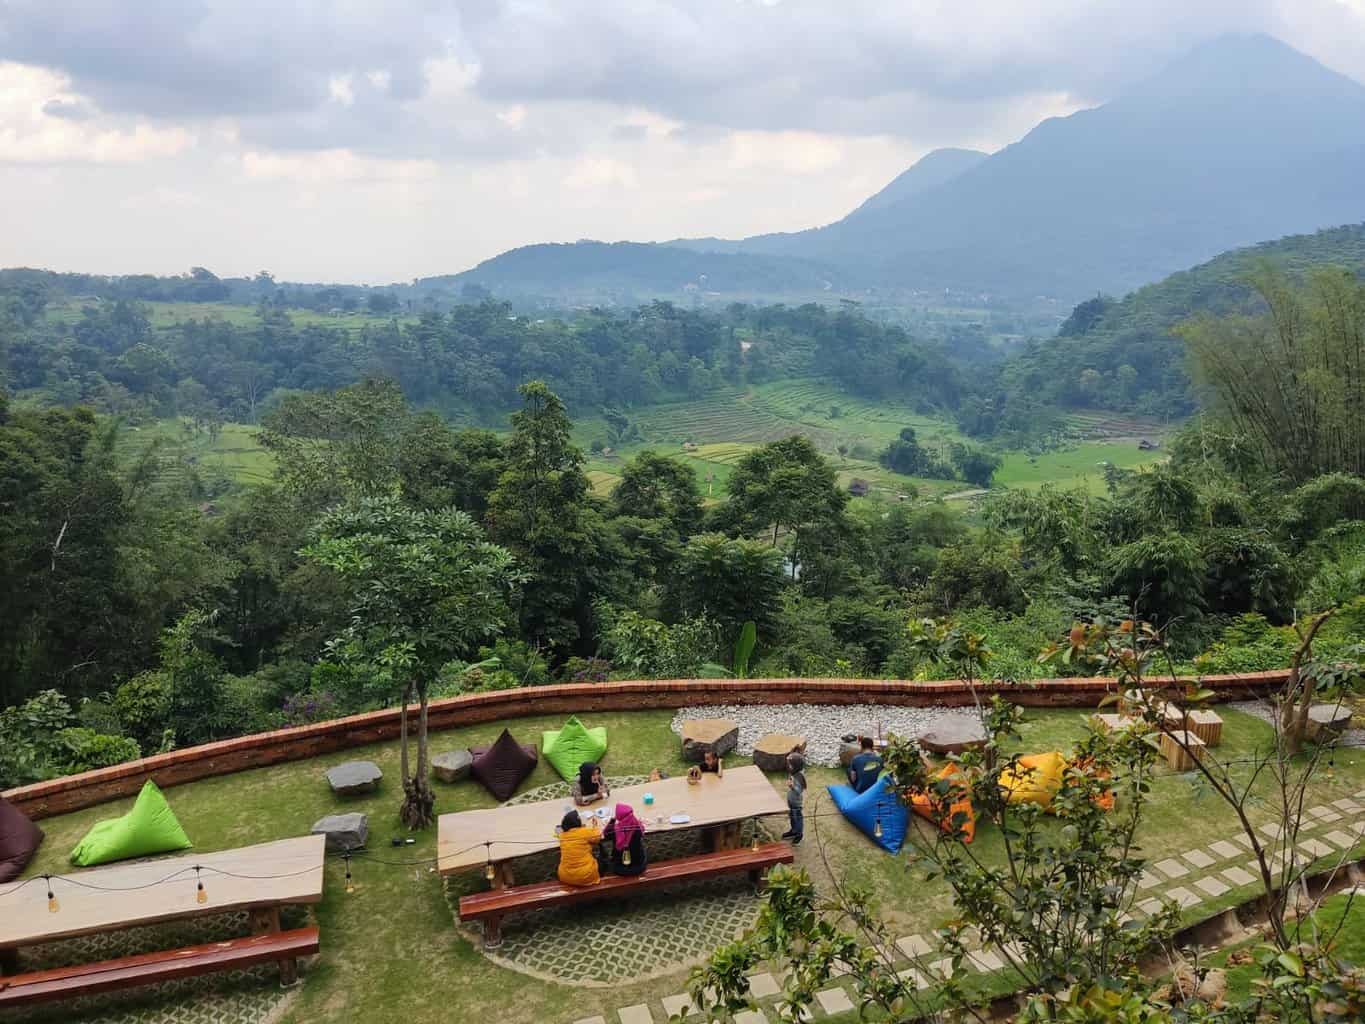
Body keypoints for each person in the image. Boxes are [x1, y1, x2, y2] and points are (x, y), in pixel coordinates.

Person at [556, 810, 602, 886]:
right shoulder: (584, 832)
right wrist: (595, 826)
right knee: (602, 858)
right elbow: (597, 837)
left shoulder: (562, 835)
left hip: (565, 876)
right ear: (577, 822)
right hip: (586, 875)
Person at [602, 802, 647, 876]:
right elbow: (642, 829)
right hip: (639, 867)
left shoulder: (614, 829)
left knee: (615, 854)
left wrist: (612, 821)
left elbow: (605, 834)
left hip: (619, 869)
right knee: (640, 848)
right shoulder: (637, 827)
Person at [783, 752, 806, 845]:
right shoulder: (793, 773)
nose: (788, 766)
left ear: (795, 765)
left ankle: (799, 834)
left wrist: (792, 786)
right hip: (791, 800)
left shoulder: (800, 776)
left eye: (790, 764)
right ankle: (793, 830)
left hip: (796, 802)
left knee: (797, 818)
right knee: (792, 817)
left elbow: (799, 791)